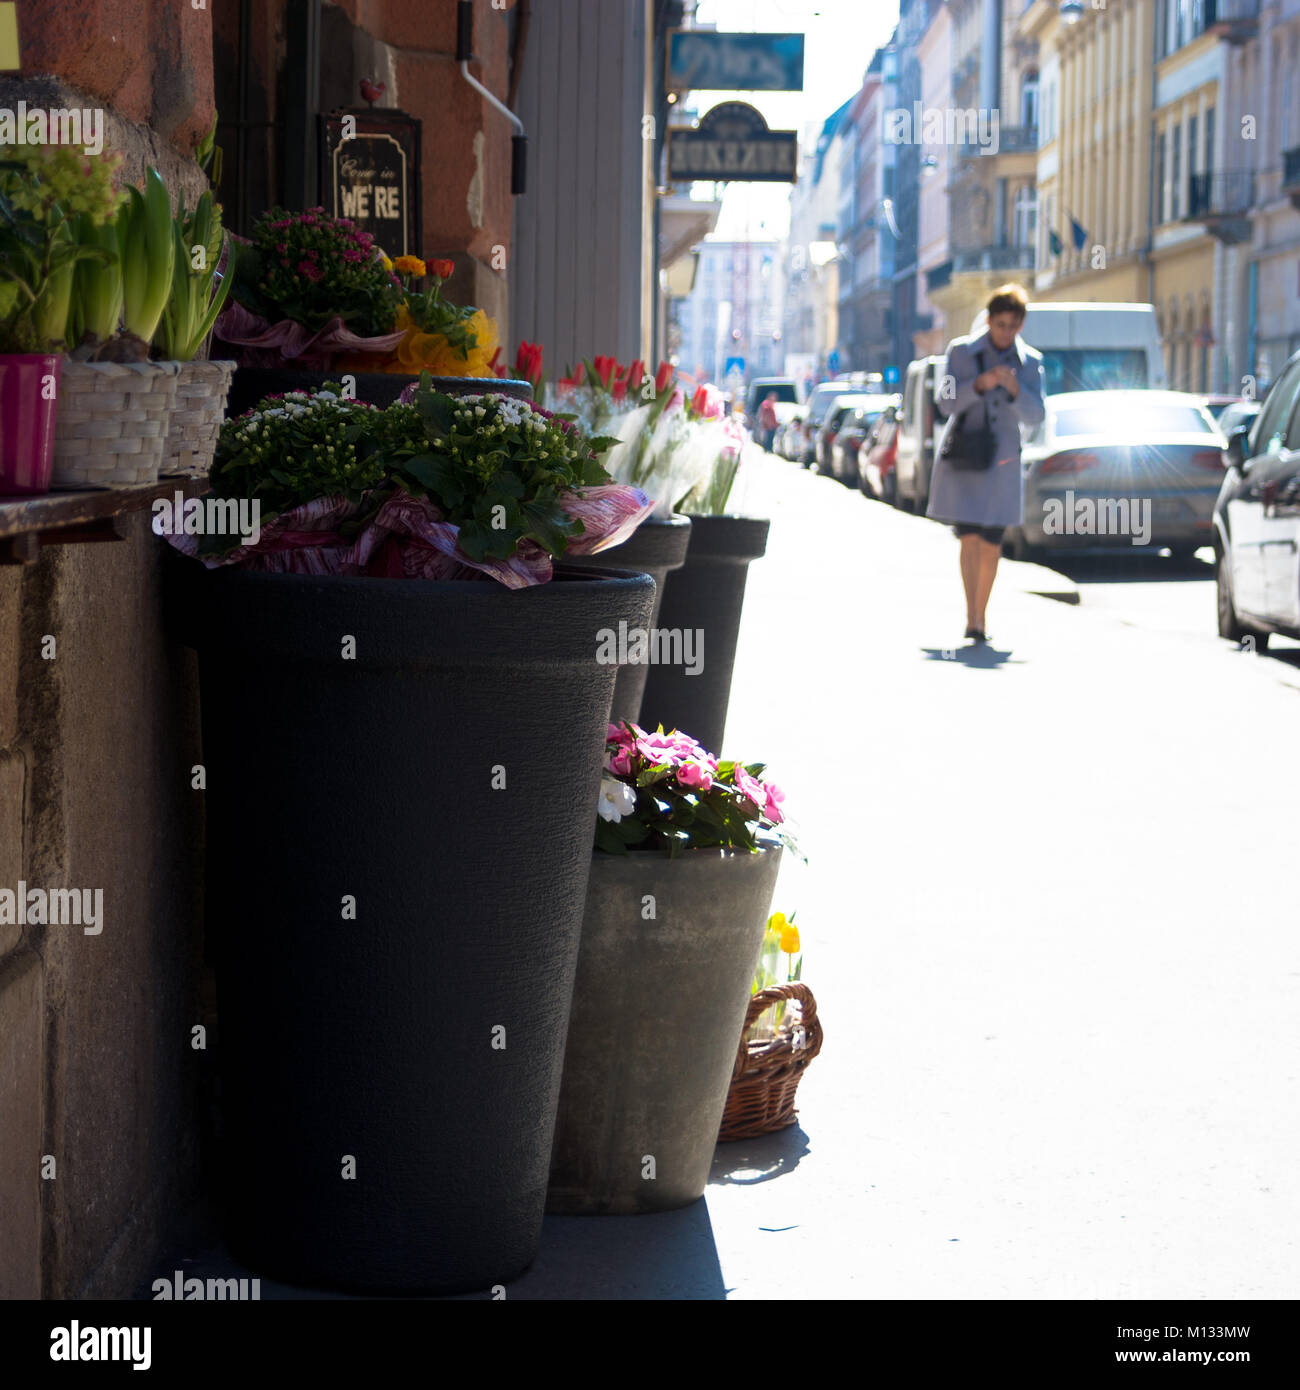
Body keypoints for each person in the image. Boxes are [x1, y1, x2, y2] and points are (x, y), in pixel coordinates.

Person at [927, 284, 1046, 643]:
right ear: (989, 321)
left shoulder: (1031, 362)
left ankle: (982, 616)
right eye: (1000, 324)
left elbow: (1037, 415)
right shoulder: (961, 352)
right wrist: (977, 385)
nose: (1005, 333)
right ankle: (971, 616)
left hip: (1004, 462)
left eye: (1012, 326)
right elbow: (944, 403)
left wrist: (1014, 390)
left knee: (992, 541)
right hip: (965, 459)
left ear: (1021, 325)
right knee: (970, 538)